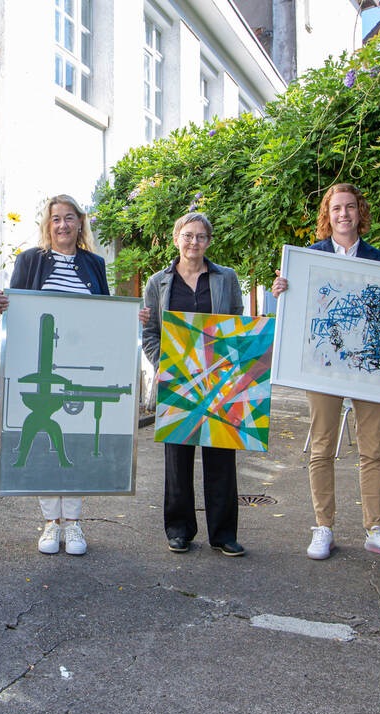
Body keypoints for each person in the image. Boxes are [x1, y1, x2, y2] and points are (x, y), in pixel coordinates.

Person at [271, 183, 380, 562]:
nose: (344, 214)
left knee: (373, 449)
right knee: (321, 447)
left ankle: (376, 530)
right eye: (336, 209)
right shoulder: (305, 259)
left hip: (370, 368)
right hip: (323, 366)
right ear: (327, 215)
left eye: (350, 207)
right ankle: (324, 528)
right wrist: (282, 291)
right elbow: (295, 314)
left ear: (359, 212)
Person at [0, 194, 109, 556]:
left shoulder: (94, 263)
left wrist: (128, 322)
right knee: (43, 440)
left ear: (80, 223)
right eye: (56, 218)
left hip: (78, 368)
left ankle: (73, 522)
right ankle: (50, 522)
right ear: (48, 224)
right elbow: (17, 310)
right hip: (37, 368)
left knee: (71, 441)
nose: (62, 225)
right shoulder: (30, 261)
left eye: (69, 218)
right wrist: (1, 305)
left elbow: (105, 313)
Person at [141, 212, 246, 557]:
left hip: (219, 380)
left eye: (201, 237)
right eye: (187, 236)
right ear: (176, 239)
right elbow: (150, 334)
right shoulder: (158, 283)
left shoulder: (225, 278)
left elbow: (239, 326)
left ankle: (223, 534)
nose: (194, 243)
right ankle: (179, 530)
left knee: (221, 458)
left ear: (209, 242)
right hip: (177, 381)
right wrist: (165, 365)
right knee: (178, 461)